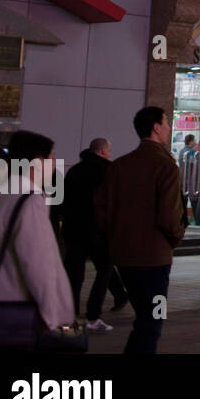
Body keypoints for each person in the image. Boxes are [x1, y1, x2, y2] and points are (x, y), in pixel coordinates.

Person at [0, 131, 76, 353]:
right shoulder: (28, 201)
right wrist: (53, 317)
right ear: (37, 163)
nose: (54, 167)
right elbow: (39, 266)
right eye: (52, 158)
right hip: (12, 318)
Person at [99, 108, 185, 353]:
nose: (168, 128)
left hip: (125, 258)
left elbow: (102, 211)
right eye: (166, 123)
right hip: (155, 259)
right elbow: (170, 215)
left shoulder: (118, 166)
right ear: (156, 127)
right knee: (155, 317)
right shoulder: (166, 165)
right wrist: (175, 237)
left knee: (143, 316)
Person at [58, 137, 128, 332]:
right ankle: (93, 315)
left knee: (74, 275)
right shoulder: (109, 171)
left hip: (73, 230)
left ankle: (71, 316)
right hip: (98, 231)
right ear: (103, 151)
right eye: (109, 150)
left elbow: (63, 201)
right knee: (104, 270)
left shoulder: (74, 171)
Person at [177, 133, 199, 223]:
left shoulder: (182, 151)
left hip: (183, 179)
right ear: (190, 141)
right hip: (190, 180)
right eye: (194, 140)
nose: (195, 142)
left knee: (184, 201)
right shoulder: (191, 152)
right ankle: (197, 220)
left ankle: (184, 220)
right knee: (193, 201)